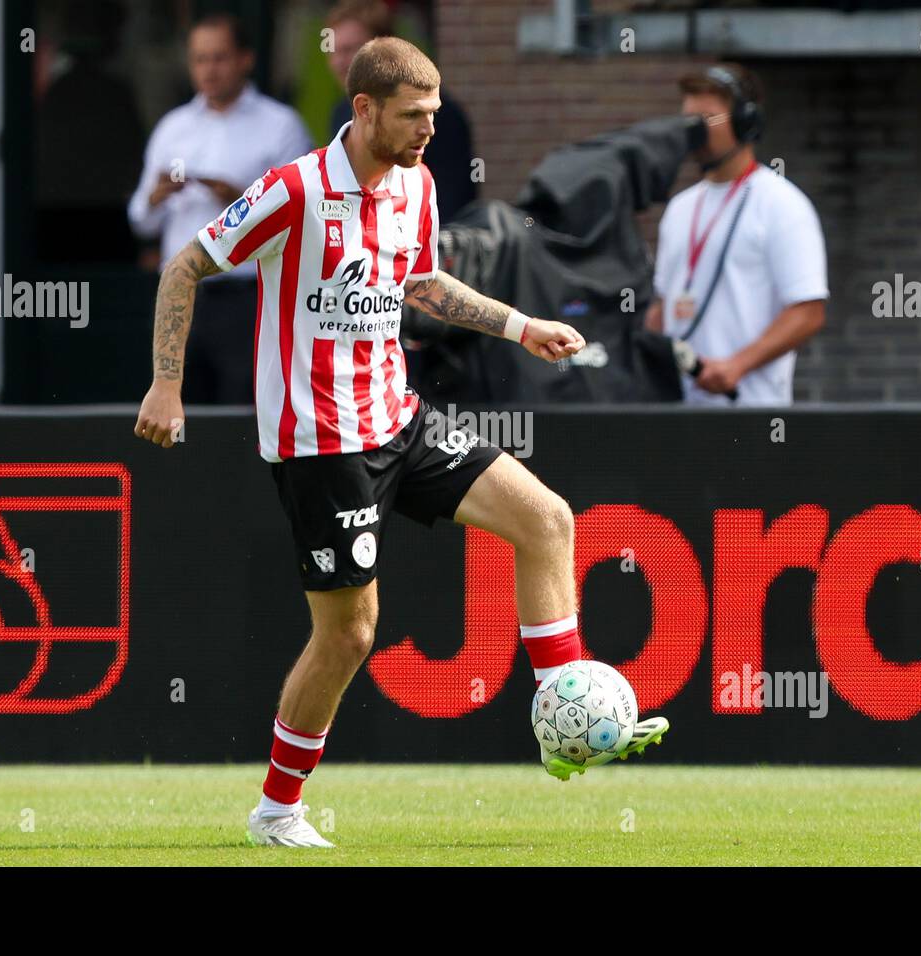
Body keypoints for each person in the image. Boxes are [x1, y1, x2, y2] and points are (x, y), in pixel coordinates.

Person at [134, 37, 670, 848]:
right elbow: (184, 268)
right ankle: (277, 811)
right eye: (414, 115)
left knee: (548, 520)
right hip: (322, 443)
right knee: (349, 634)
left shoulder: (415, 185)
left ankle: (565, 715)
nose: (429, 128)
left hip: (399, 417)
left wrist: (521, 326)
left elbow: (419, 282)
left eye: (435, 112)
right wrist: (166, 384)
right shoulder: (293, 191)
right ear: (365, 110)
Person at [128, 13, 312, 403]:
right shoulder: (172, 127)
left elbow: (304, 217)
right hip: (181, 293)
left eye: (219, 58)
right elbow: (141, 222)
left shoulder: (280, 125)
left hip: (247, 296)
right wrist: (156, 196)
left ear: (245, 59)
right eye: (200, 59)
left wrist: (242, 199)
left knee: (242, 414)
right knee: (172, 409)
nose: (209, 70)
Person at [646, 64, 828, 406]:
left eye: (707, 119)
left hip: (750, 411)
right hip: (676, 412)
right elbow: (662, 307)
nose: (694, 131)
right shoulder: (679, 209)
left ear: (746, 122)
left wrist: (737, 365)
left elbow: (808, 311)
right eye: (689, 119)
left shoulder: (781, 204)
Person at [324, 0, 476, 224]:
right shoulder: (341, 113)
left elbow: (452, 202)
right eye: (333, 51)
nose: (338, 62)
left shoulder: (437, 114)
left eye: (349, 50)